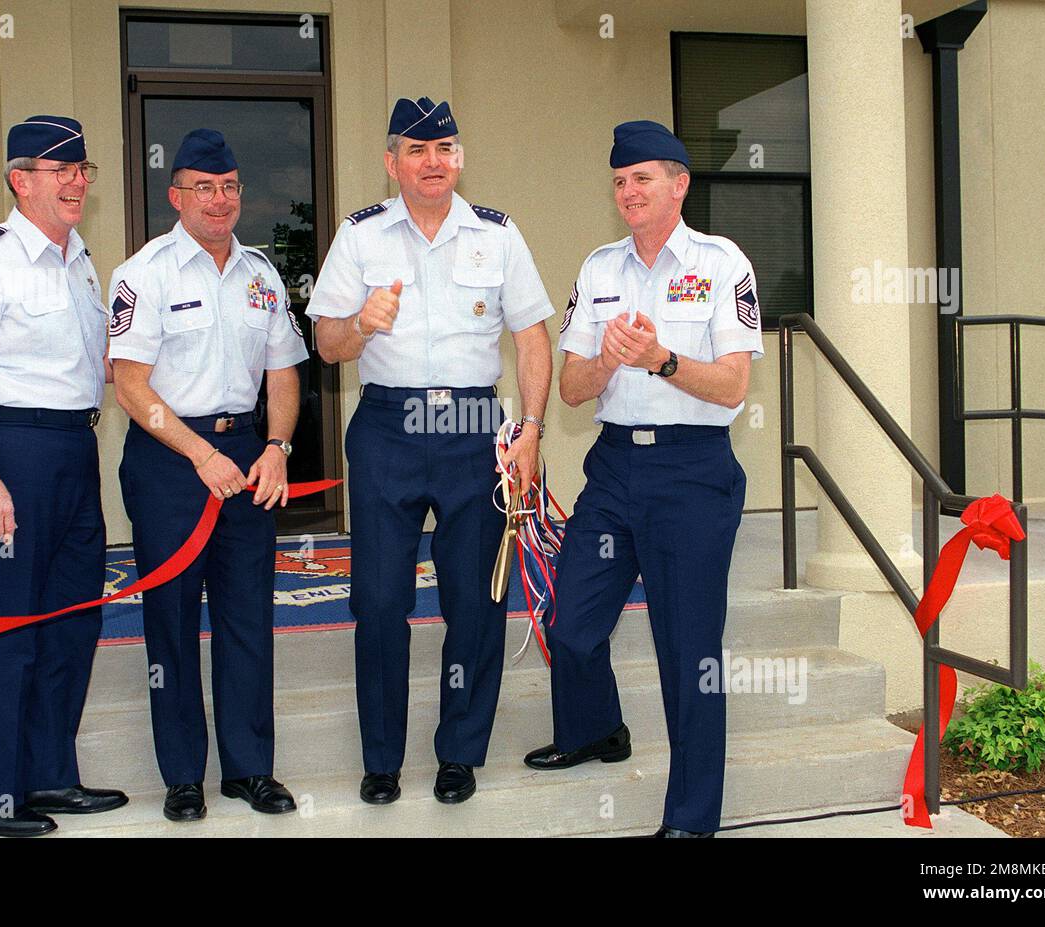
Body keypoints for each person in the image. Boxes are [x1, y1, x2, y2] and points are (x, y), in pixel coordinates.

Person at [306, 97, 553, 805]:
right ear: (392, 162)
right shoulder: (360, 237)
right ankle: (381, 757)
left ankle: (459, 751)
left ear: (459, 157)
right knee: (379, 600)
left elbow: (533, 338)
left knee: (475, 599)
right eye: (416, 150)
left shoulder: (498, 235)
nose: (432, 161)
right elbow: (326, 344)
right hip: (387, 429)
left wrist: (530, 428)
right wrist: (360, 323)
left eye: (443, 147)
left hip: (475, 427)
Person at [524, 120, 764, 837]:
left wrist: (661, 358)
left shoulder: (721, 264)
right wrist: (606, 361)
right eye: (620, 181)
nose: (628, 192)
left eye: (643, 179)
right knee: (570, 623)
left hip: (693, 475)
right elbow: (570, 387)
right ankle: (597, 727)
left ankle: (692, 817)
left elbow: (731, 387)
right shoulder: (601, 268)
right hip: (616, 468)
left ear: (679, 184)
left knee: (688, 651)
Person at [0, 114, 127, 837]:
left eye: (83, 170)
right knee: (6, 624)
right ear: (22, 179)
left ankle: (47, 775)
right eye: (60, 169)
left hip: (74, 451)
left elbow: (96, 365)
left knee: (71, 622)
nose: (77, 181)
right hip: (8, 452)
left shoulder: (79, 260)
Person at [109, 129, 308, 822]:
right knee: (171, 620)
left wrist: (278, 444)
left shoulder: (261, 274)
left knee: (248, 615)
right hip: (171, 462)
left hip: (248, 458)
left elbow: (284, 371)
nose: (218, 200)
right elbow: (129, 383)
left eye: (228, 187)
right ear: (176, 195)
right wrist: (199, 454)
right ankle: (183, 775)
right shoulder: (144, 272)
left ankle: (250, 768)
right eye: (203, 187)